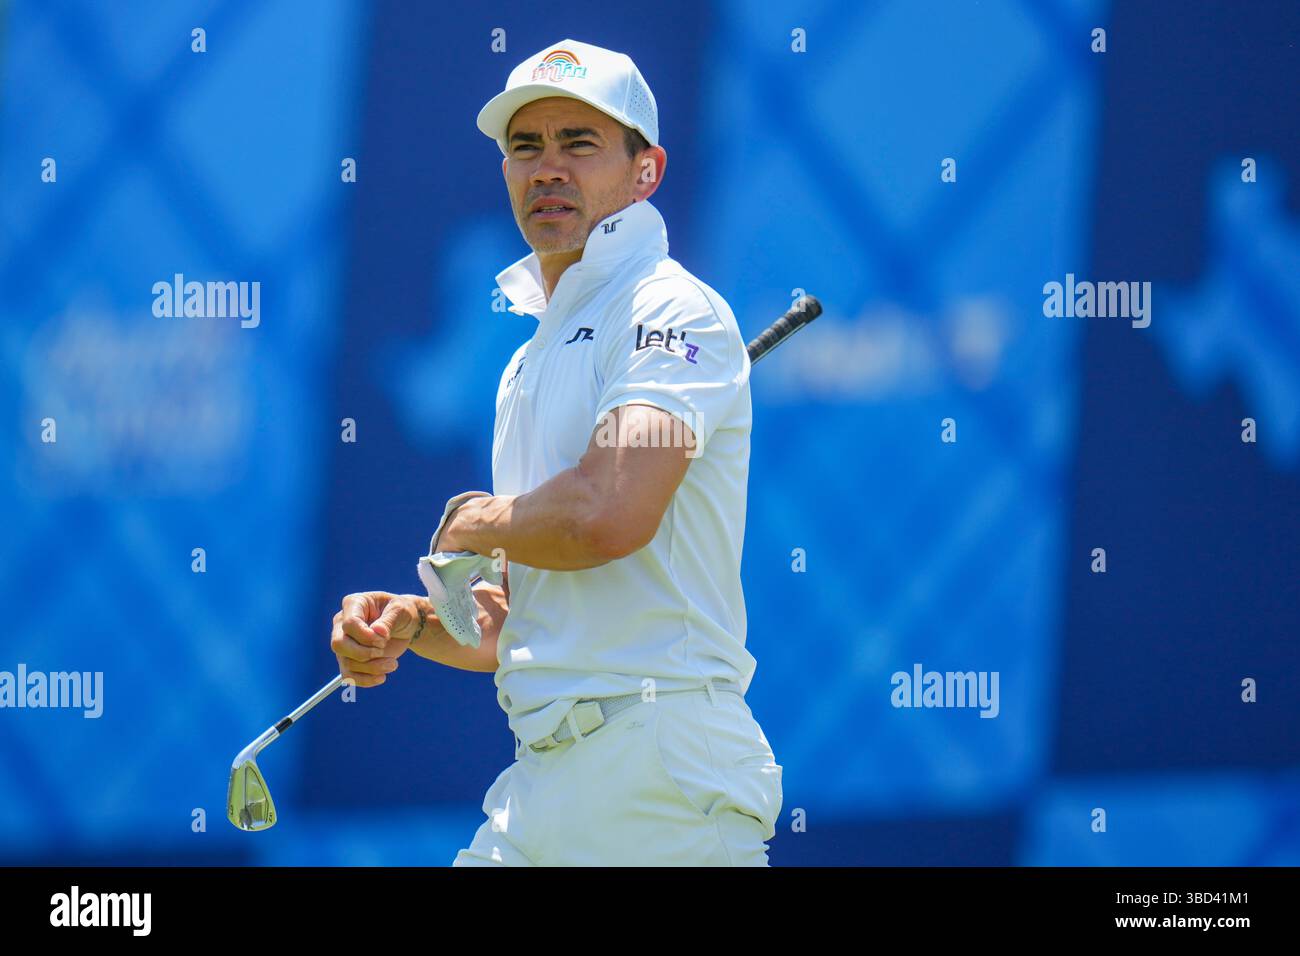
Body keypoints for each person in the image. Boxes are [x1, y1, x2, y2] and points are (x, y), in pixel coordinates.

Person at [329, 38, 782, 866]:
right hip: (541, 786)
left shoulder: (670, 308)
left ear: (646, 172)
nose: (548, 169)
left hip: (662, 774)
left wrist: (479, 521)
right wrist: (416, 623)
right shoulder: (525, 360)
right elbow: (508, 622)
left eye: (580, 144)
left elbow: (607, 514)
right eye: (526, 147)